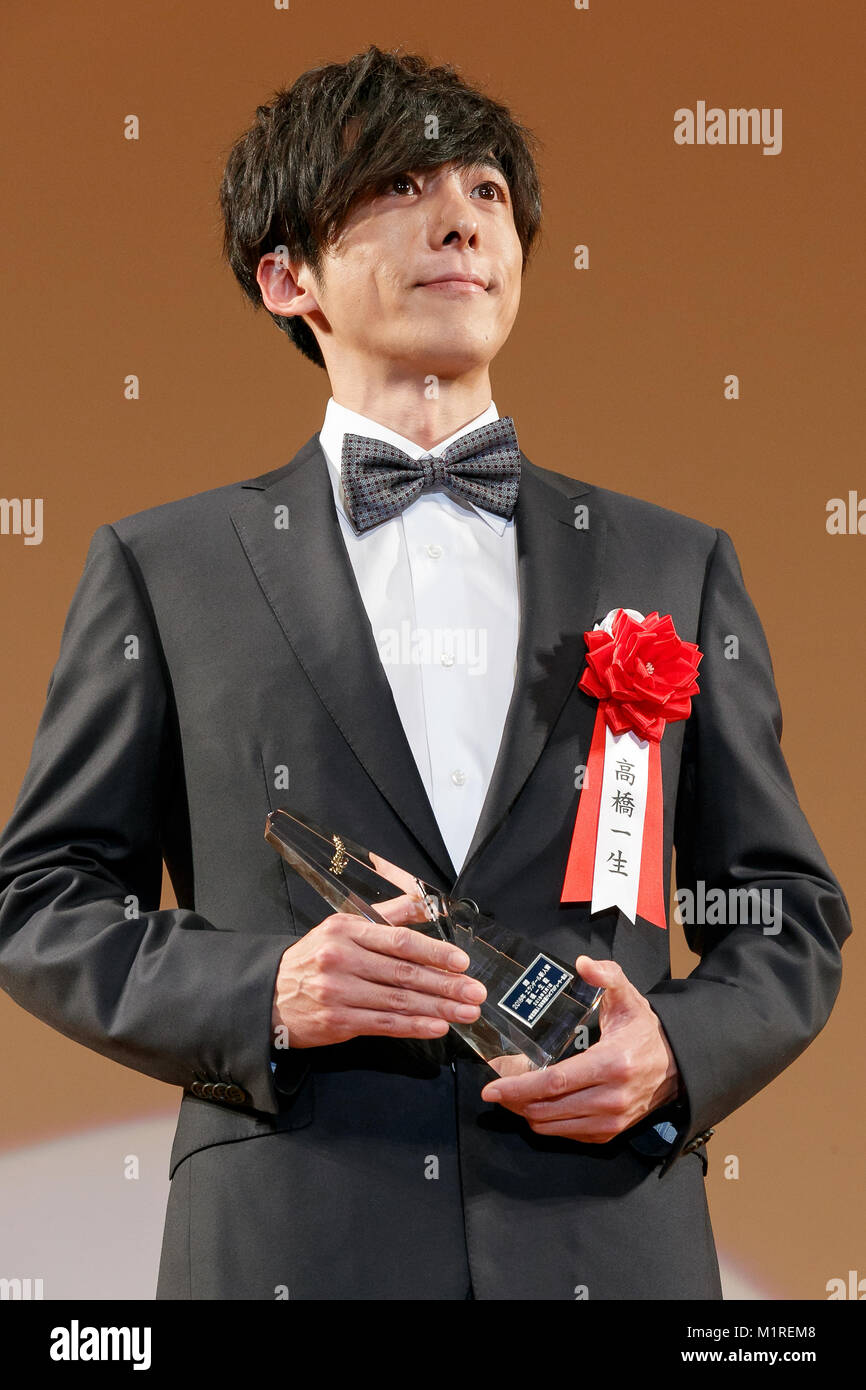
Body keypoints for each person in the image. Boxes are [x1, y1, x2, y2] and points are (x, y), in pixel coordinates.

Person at [0, 45, 851, 1300]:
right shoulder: (161, 567)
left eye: (489, 192)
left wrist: (673, 1047)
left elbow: (779, 906)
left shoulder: (672, 562)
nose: (460, 216)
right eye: (398, 184)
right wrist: (267, 990)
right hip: (290, 1237)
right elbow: (45, 897)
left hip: (607, 1237)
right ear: (286, 276)